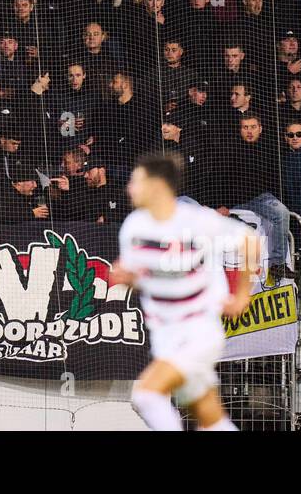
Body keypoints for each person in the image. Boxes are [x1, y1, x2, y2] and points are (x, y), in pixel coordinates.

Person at [109, 153, 259, 431]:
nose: (129, 188)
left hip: (198, 329)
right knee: (211, 420)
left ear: (157, 185)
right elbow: (147, 277)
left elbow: (250, 242)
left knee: (146, 395)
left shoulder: (197, 220)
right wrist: (128, 277)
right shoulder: (133, 227)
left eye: (136, 181)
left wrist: (241, 296)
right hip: (165, 335)